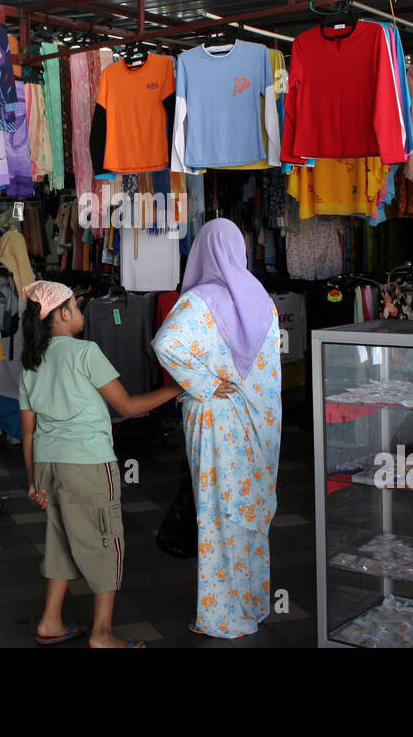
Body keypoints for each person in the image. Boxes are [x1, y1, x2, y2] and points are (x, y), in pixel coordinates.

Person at [18, 279, 183, 649]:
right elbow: (127, 407)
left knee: (60, 538)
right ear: (61, 314)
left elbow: (27, 430)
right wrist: (176, 388)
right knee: (106, 542)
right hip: (88, 464)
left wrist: (32, 483)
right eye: (75, 306)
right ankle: (102, 633)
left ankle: (50, 621)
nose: (79, 312)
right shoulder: (86, 352)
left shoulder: (32, 361)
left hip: (48, 463)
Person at [152, 218, 282, 638]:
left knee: (218, 516)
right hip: (258, 424)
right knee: (251, 515)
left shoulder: (198, 301)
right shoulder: (260, 298)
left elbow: (165, 344)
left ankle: (223, 616)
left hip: (216, 422)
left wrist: (204, 384)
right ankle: (253, 603)